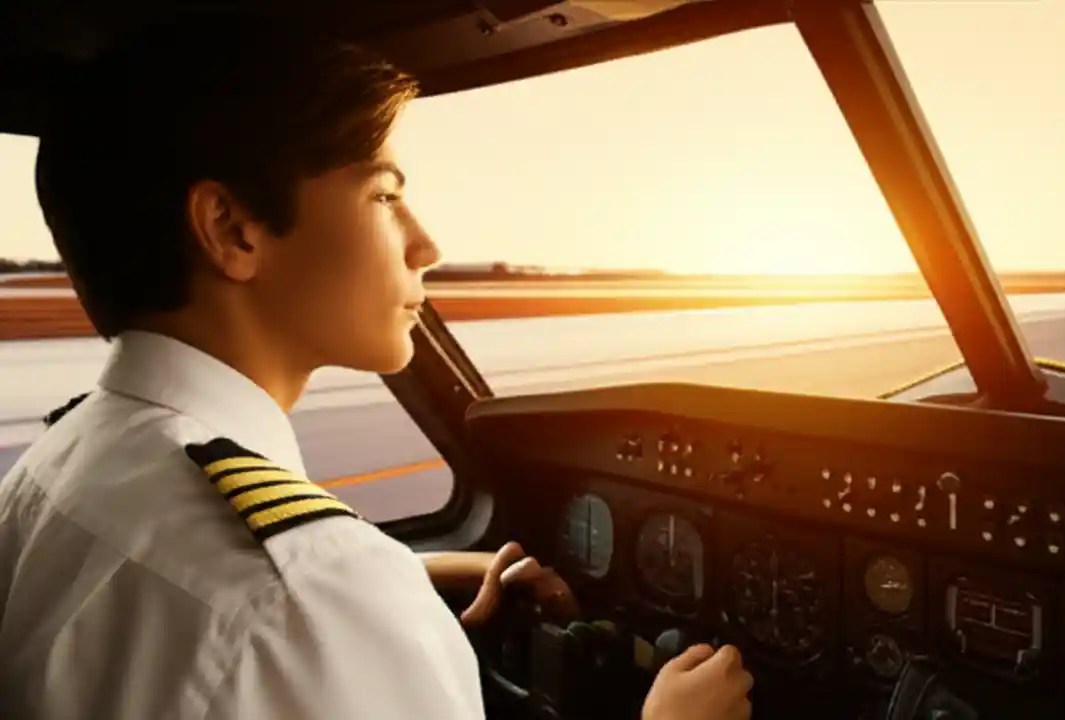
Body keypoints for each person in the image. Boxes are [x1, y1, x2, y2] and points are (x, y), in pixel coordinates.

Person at [0, 18, 753, 720]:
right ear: (231, 230)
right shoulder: (313, 597)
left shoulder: (52, 474)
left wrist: (416, 623)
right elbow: (289, 612)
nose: (425, 245)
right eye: (385, 195)